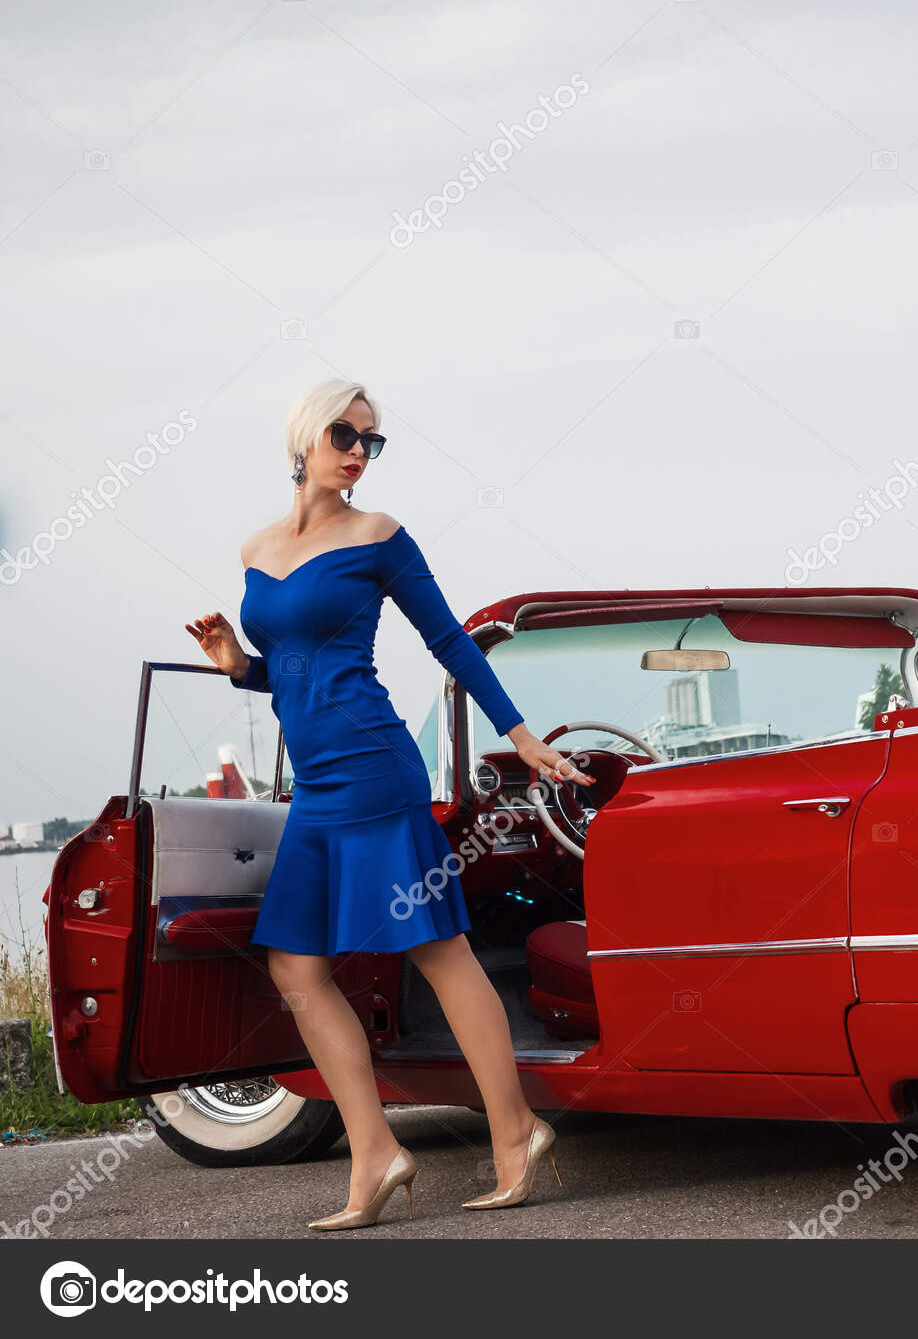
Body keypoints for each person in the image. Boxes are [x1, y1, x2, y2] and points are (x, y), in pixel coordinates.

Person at [185, 377, 594, 1230]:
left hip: (374, 767)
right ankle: (375, 1152)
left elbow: (447, 639)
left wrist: (520, 737)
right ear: (303, 435)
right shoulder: (256, 551)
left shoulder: (379, 536)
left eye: (371, 440)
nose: (359, 451)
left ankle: (516, 1132)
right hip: (318, 785)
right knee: (295, 966)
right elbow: (296, 670)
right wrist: (238, 665)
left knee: (436, 950)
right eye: (345, 432)